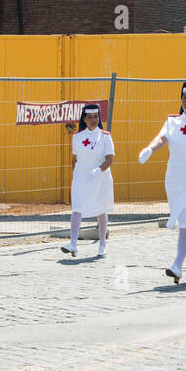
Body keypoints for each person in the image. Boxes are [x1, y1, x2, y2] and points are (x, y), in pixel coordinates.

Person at [138, 81, 186, 284]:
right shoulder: (173, 122)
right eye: (185, 97)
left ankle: (177, 264)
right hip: (175, 177)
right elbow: (162, 138)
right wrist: (149, 149)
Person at [64, 103, 115, 258]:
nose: (93, 120)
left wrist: (98, 171)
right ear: (84, 119)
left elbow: (110, 158)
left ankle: (102, 244)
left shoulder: (105, 136)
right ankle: (73, 243)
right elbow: (74, 158)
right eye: (90, 117)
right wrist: (78, 175)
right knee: (77, 207)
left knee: (101, 208)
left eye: (96, 117)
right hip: (82, 176)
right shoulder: (78, 136)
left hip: (100, 176)